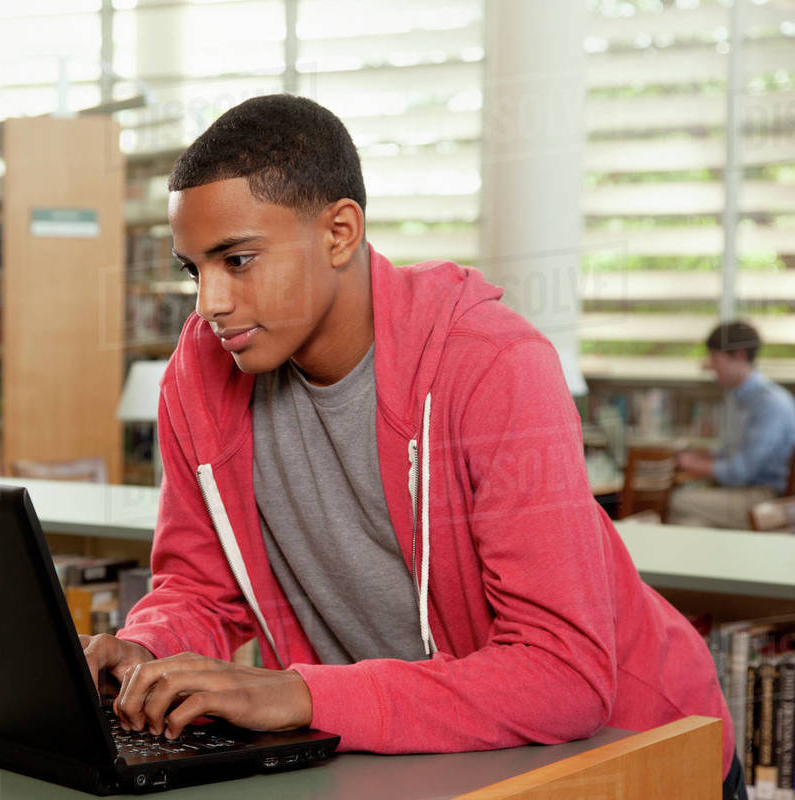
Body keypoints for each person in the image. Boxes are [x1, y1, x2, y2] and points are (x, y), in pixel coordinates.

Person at [82, 94, 741, 798]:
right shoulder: (199, 371)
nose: (208, 302)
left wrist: (301, 696)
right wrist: (143, 648)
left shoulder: (493, 364)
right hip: (421, 760)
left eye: (237, 260)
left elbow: (565, 675)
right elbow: (202, 590)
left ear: (340, 232)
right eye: (192, 269)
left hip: (637, 755)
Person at [670, 321, 795, 530]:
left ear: (739, 355)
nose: (709, 365)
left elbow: (742, 471)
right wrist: (708, 456)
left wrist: (691, 464)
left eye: (714, 358)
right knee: (691, 522)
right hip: (750, 491)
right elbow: (739, 453)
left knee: (680, 501)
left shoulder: (769, 403)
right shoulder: (742, 398)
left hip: (766, 498)